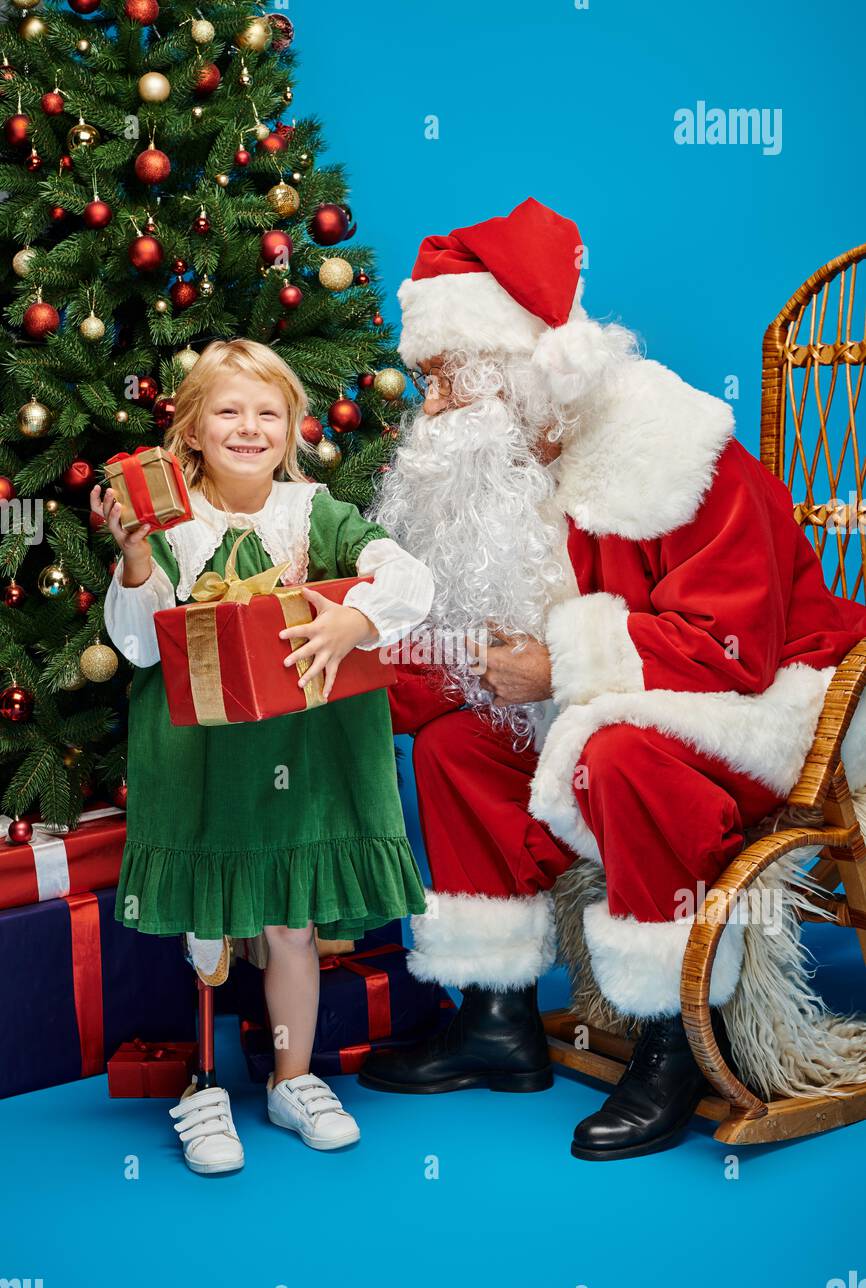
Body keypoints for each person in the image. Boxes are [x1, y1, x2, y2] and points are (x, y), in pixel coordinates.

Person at [357, 197, 866, 1159]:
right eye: (423, 381)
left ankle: (676, 1041)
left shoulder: (679, 460)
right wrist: (345, 666)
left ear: (518, 372)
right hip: (605, 709)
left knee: (622, 753)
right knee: (459, 744)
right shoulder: (503, 482)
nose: (427, 408)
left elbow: (733, 648)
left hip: (762, 712)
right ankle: (495, 1017)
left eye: (445, 380)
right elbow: (467, 665)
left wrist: (560, 663)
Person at [97, 337, 433, 1175]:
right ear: (193, 430)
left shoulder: (314, 511)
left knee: (291, 922)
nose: (249, 427)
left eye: (268, 414)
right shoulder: (171, 523)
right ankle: (203, 1089)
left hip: (299, 766)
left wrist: (358, 619)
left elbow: (411, 579)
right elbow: (139, 649)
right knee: (208, 922)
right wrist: (137, 559)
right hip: (201, 766)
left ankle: (292, 1078)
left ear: (292, 431)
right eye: (228, 411)